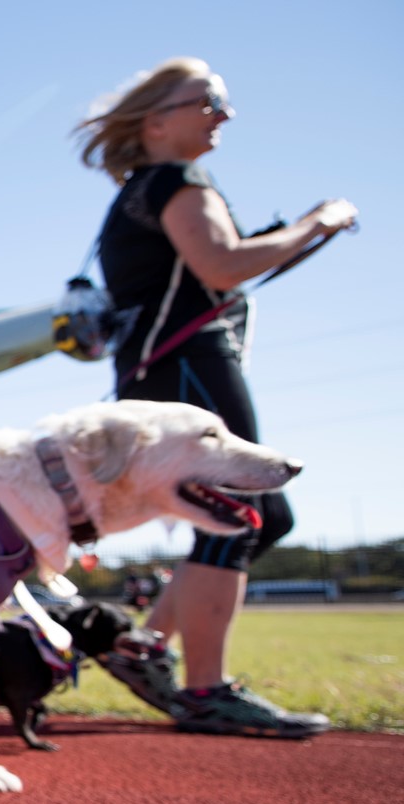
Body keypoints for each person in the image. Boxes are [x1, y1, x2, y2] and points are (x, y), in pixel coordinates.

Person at [75, 58, 356, 736]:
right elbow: (222, 265)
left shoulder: (144, 189)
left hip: (161, 373)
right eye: (208, 101)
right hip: (190, 368)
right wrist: (319, 221)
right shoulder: (177, 179)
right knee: (241, 513)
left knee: (267, 518)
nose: (223, 114)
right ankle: (206, 691)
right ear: (157, 119)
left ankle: (146, 646)